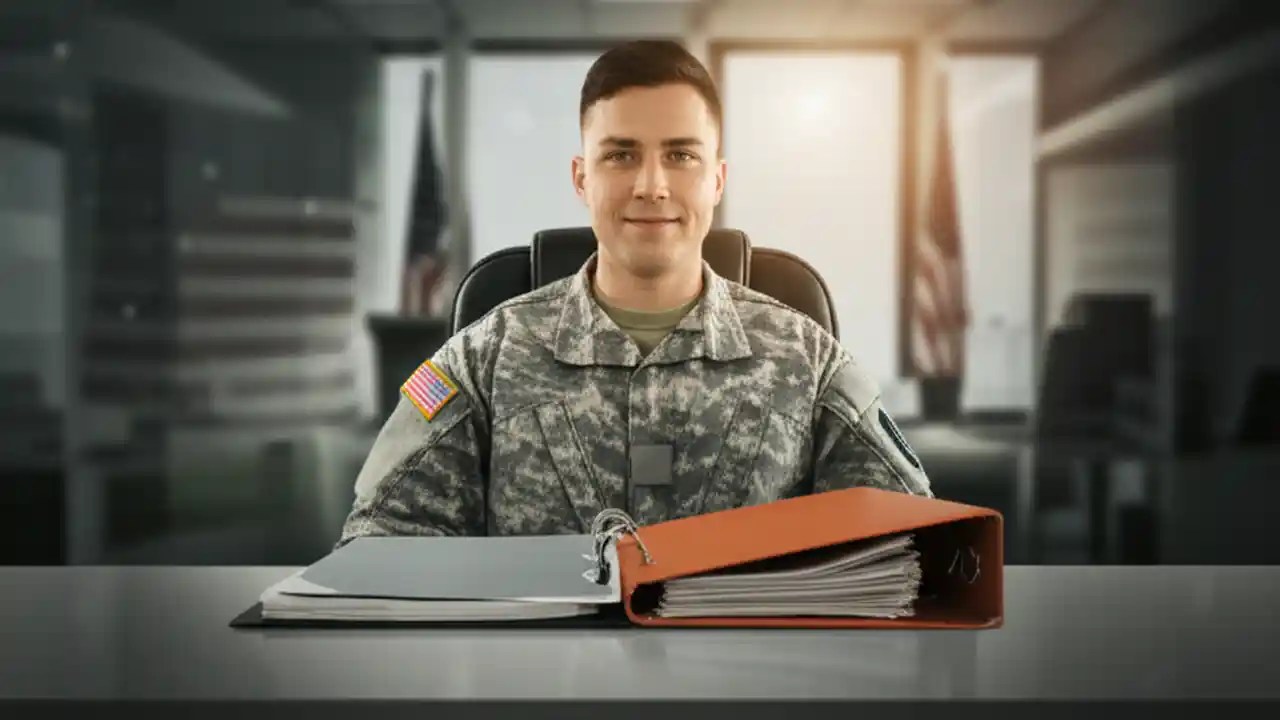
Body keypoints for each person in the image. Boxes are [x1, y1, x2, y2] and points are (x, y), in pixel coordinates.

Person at [337, 40, 932, 546]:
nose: (652, 185)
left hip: (748, 680)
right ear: (582, 178)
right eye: (621, 155)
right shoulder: (482, 359)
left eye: (681, 156)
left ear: (716, 180)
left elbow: (910, 544)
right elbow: (380, 539)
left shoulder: (808, 360)